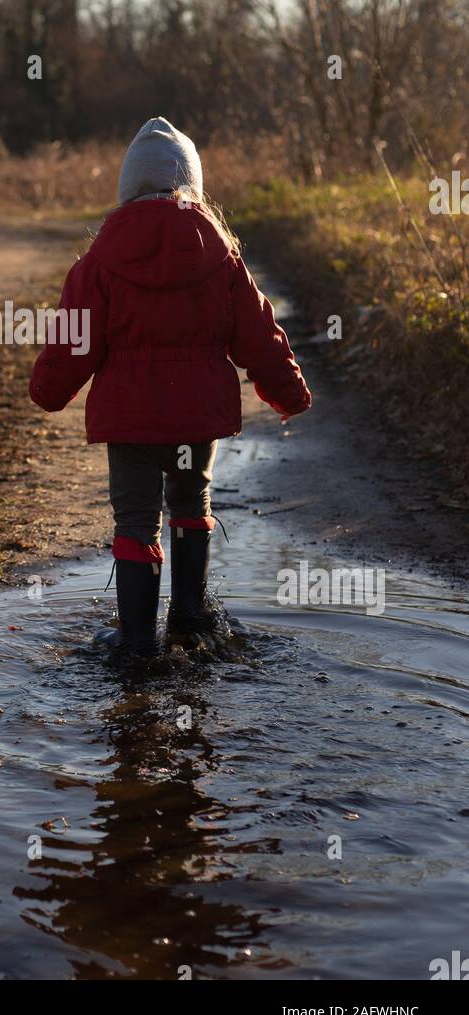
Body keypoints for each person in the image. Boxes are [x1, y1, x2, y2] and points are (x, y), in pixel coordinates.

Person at [29, 117, 312, 652]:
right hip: (194, 418)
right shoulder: (220, 254)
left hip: (130, 422)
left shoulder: (99, 261)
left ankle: (137, 643)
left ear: (127, 188)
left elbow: (73, 342)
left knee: (135, 520)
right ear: (193, 185)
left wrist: (47, 390)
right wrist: (288, 392)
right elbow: (258, 334)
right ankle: (189, 618)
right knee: (189, 502)